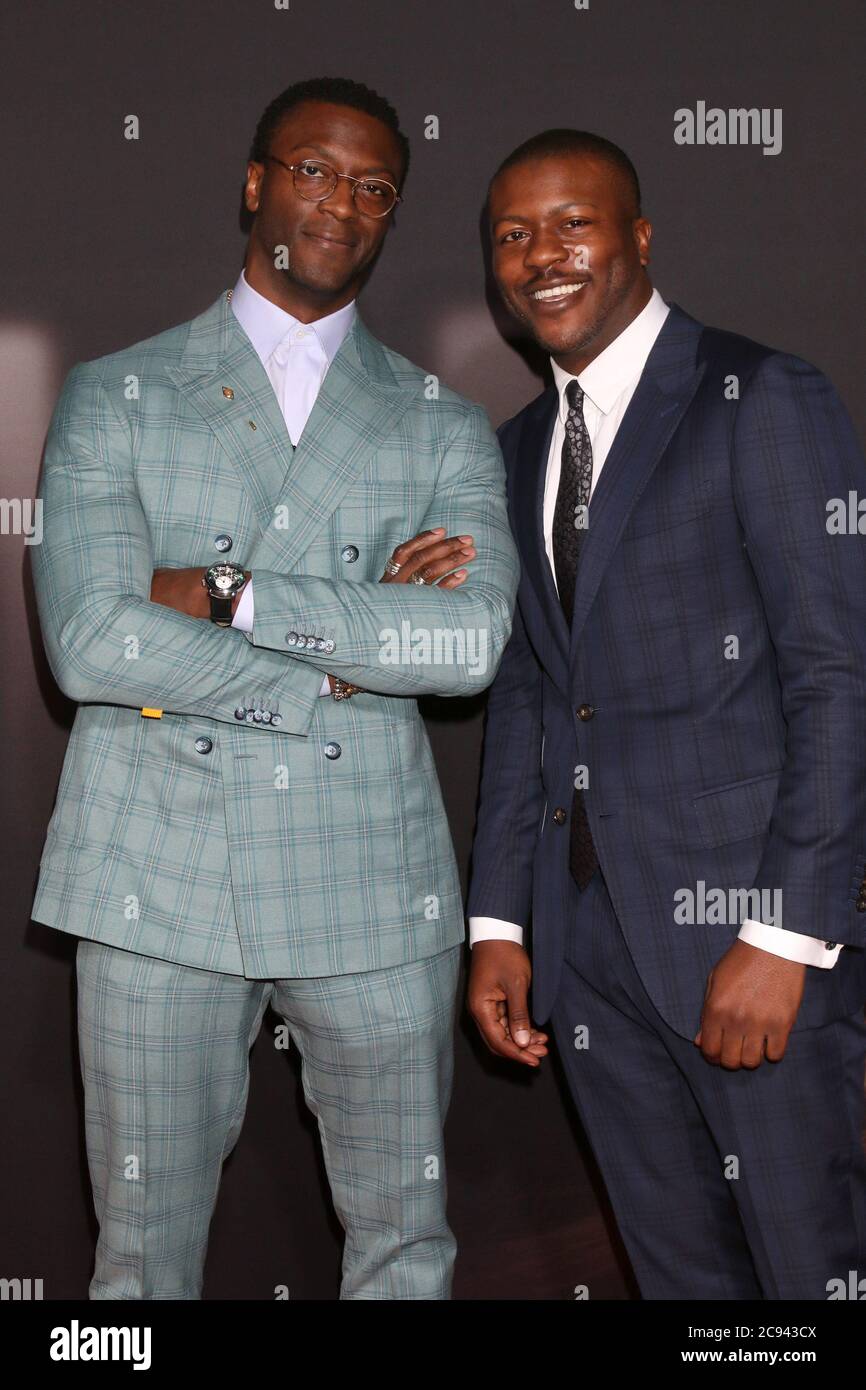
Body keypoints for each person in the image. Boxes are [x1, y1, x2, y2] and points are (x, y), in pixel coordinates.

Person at [31, 76, 519, 1300]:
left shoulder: (441, 424)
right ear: (256, 183)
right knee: (136, 1262)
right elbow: (93, 642)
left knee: (404, 1242)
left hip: (369, 879)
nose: (339, 202)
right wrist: (338, 666)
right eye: (312, 170)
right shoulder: (113, 391)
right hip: (156, 871)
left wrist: (232, 589)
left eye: (371, 187)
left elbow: (463, 647)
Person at [467, 127, 866, 1299]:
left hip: (747, 950)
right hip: (586, 957)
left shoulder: (761, 394)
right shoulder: (514, 450)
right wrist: (500, 920)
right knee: (680, 1281)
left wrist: (786, 933)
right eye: (510, 233)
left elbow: (836, 677)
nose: (541, 252)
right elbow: (531, 694)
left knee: (809, 1271)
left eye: (572, 223)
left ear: (638, 237)